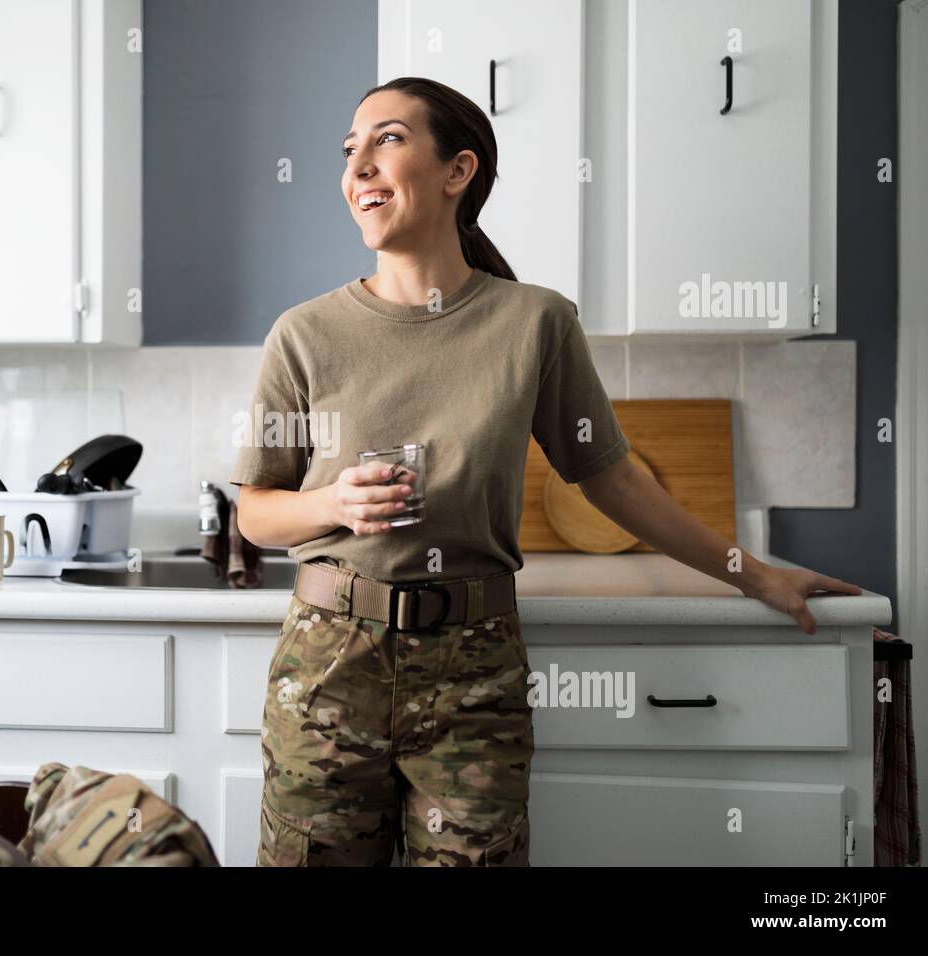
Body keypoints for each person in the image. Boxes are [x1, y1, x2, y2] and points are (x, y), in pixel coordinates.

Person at [229, 76, 863, 867]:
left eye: (387, 139)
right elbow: (254, 513)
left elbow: (614, 481)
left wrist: (754, 574)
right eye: (350, 148)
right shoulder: (304, 334)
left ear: (458, 171)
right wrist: (331, 502)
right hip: (327, 664)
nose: (358, 164)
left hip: (475, 668)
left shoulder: (535, 323)